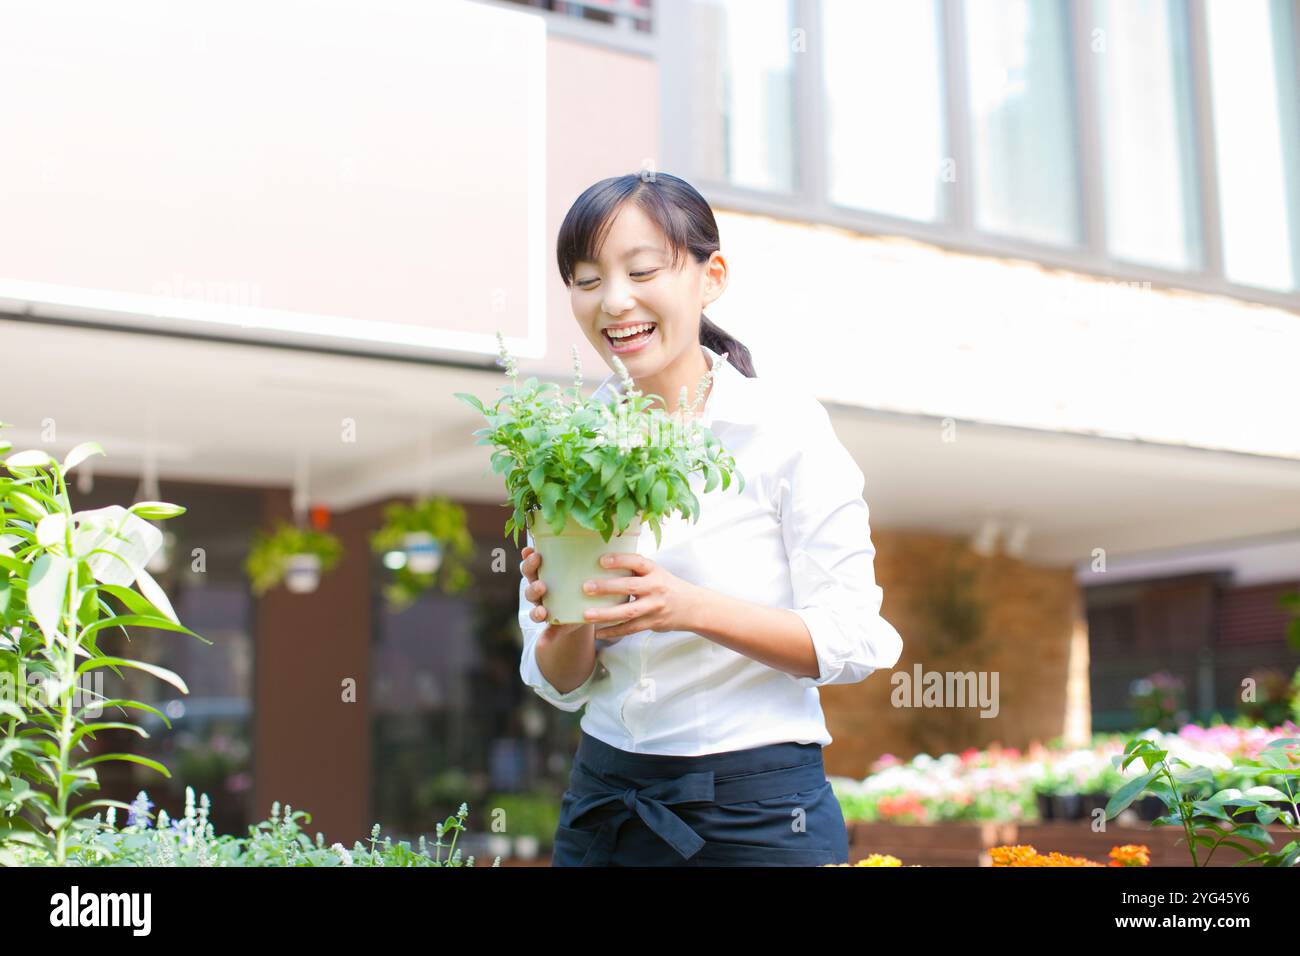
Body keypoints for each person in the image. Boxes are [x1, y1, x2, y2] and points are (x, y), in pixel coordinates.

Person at [517, 171, 903, 866]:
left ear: (711, 275)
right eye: (585, 279)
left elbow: (851, 641)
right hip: (606, 805)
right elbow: (557, 679)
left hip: (758, 818)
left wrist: (686, 607)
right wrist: (566, 620)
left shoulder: (782, 430)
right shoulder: (566, 449)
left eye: (640, 271)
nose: (614, 301)